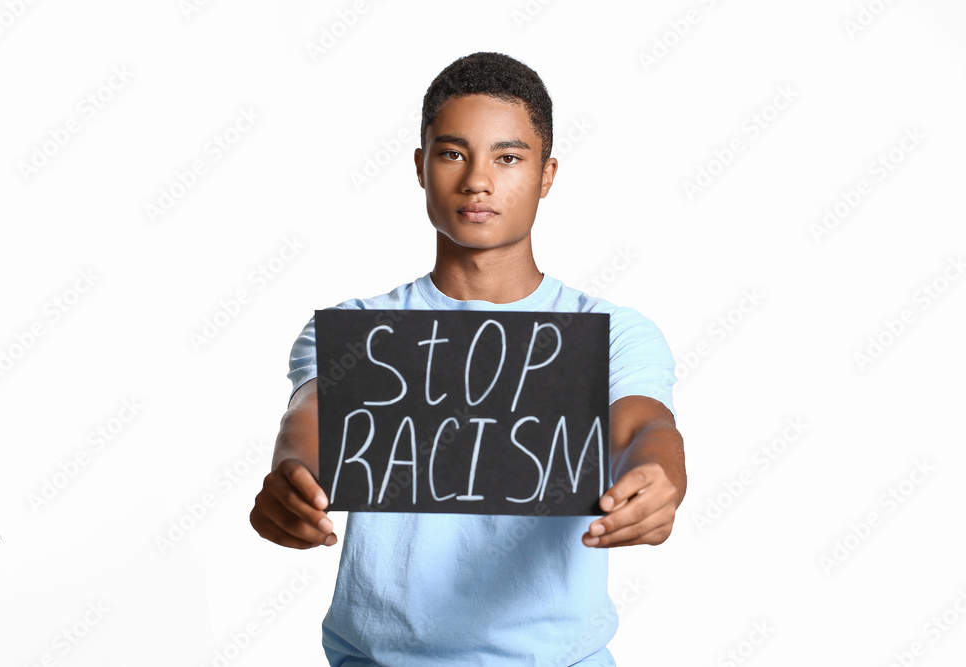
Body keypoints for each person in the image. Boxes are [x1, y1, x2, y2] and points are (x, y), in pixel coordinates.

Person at [249, 51, 687, 666]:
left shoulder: (610, 330)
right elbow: (310, 422)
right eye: (453, 153)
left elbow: (644, 424)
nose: (478, 179)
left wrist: (658, 478)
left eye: (508, 157)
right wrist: (293, 480)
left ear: (547, 173)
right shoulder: (356, 329)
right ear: (421, 168)